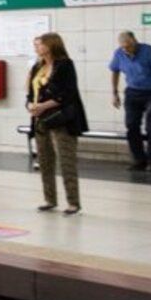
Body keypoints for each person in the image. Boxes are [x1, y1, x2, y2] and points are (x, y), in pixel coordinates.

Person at [26, 33, 89, 215]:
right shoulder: (38, 66)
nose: (36, 48)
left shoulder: (65, 65)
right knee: (45, 161)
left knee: (66, 161)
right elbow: (31, 92)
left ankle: (73, 202)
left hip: (60, 119)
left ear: (51, 45)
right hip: (40, 120)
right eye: (35, 44)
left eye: (39, 44)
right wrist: (31, 105)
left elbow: (68, 93)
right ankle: (50, 199)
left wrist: (44, 105)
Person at [109, 31, 151, 171]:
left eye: (129, 46)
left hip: (150, 92)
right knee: (132, 125)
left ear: (135, 41)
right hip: (132, 92)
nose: (127, 50)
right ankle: (139, 160)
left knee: (150, 127)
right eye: (124, 47)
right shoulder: (119, 53)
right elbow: (115, 71)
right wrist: (114, 93)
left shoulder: (148, 51)